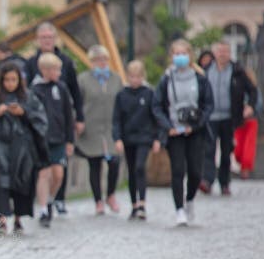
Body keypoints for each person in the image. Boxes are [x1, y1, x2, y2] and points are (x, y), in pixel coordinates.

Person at [0, 62, 49, 234]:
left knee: (21, 180)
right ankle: (1, 220)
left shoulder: (28, 98)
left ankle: (18, 218)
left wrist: (24, 113)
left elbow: (41, 121)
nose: (10, 83)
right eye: (7, 80)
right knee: (1, 181)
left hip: (22, 146)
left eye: (13, 79)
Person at [153, 39, 214, 226]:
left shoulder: (200, 79)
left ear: (190, 56)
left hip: (194, 131)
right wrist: (168, 126)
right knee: (178, 170)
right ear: (172, 56)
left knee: (195, 171)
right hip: (174, 132)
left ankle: (189, 200)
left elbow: (208, 105)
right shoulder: (166, 79)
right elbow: (156, 106)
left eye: (183, 54)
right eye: (177, 54)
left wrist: (195, 125)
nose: (180, 57)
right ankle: (179, 209)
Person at [25, 22, 84, 216]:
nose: (47, 41)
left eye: (50, 37)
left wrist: (78, 120)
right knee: (43, 171)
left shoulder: (65, 63)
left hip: (60, 125)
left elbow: (74, 94)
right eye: (43, 37)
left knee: (59, 171)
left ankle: (58, 199)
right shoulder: (31, 64)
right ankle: (43, 205)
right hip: (42, 130)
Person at [200, 40, 258, 195]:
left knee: (226, 152)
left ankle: (224, 183)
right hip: (210, 116)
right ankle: (207, 180)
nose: (223, 54)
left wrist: (250, 106)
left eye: (225, 51)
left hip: (229, 117)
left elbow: (252, 90)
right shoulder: (206, 70)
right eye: (220, 51)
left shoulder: (237, 71)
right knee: (209, 149)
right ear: (215, 53)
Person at [75, 45, 124, 215]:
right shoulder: (83, 80)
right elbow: (77, 102)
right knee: (94, 164)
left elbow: (121, 103)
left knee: (114, 162)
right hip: (91, 127)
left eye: (103, 59)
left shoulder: (116, 79)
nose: (101, 63)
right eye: (97, 60)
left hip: (111, 127)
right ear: (91, 62)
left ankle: (110, 194)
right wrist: (78, 120)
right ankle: (98, 201)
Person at [112, 60, 162, 220]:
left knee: (140, 167)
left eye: (138, 77)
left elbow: (155, 117)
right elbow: (117, 119)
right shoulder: (122, 95)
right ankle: (134, 204)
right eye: (132, 77)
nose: (135, 80)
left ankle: (142, 203)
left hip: (144, 137)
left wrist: (157, 138)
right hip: (128, 137)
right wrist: (117, 138)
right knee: (132, 170)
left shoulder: (149, 93)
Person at [31, 53, 75, 228]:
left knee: (58, 174)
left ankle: (50, 198)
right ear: (45, 70)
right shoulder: (35, 90)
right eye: (56, 70)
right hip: (42, 139)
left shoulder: (61, 88)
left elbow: (68, 115)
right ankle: (43, 209)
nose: (59, 73)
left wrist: (70, 140)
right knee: (44, 174)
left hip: (59, 138)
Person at [233, 68, 262, 179]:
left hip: (251, 120)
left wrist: (250, 109)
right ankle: (240, 161)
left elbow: (258, 104)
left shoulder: (255, 90)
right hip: (239, 120)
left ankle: (245, 167)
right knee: (238, 145)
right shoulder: (237, 88)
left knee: (249, 144)